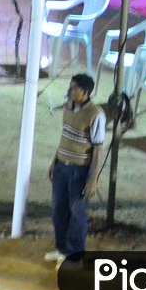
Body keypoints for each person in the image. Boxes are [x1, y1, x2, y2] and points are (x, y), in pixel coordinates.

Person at [47, 73, 104, 263]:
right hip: (62, 167)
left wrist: (93, 179)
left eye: (74, 88)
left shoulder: (95, 114)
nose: (69, 90)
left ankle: (74, 255)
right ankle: (61, 248)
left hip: (79, 171)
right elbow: (64, 137)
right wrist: (54, 161)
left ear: (85, 92)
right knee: (58, 211)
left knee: (77, 214)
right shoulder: (68, 107)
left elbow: (97, 149)